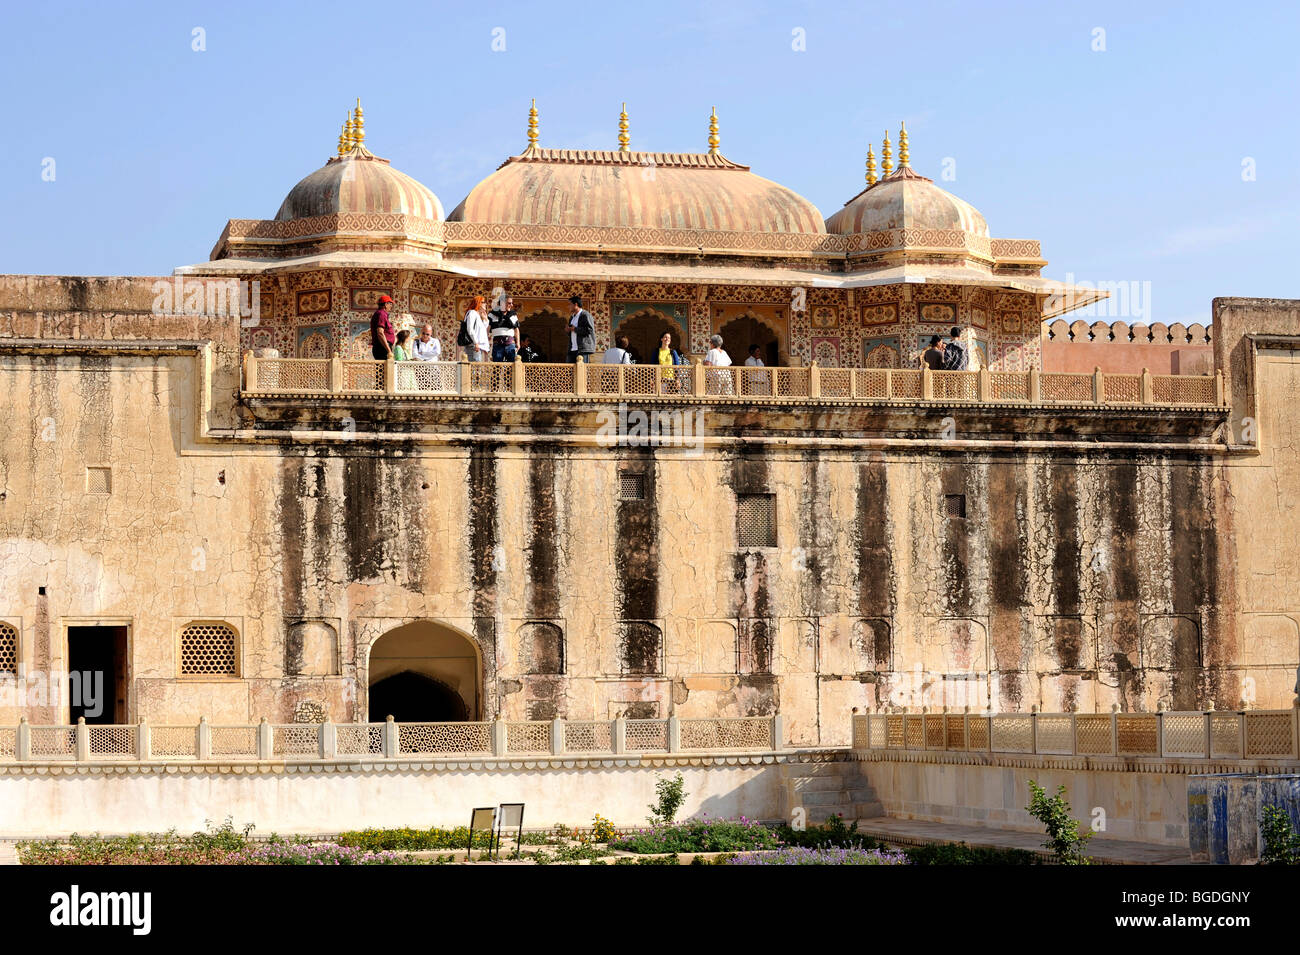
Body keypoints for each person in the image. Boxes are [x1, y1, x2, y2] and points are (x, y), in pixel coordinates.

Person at [489, 295, 520, 362]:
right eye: (509, 303)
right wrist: (487, 342)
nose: (511, 305)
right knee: (497, 366)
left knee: (511, 365)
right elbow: (487, 329)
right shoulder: (492, 314)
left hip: (510, 344)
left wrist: (518, 343)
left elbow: (516, 330)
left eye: (511, 303)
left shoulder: (513, 315)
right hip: (497, 344)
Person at [567, 295, 595, 363]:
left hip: (582, 349)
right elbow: (572, 333)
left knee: (582, 368)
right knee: (570, 369)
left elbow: (589, 330)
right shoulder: (572, 317)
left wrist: (575, 329)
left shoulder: (585, 315)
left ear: (575, 304)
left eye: (570, 304)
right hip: (572, 349)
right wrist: (568, 330)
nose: (568, 306)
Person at [462, 295, 490, 362]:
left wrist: (485, 319)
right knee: (474, 366)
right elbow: (470, 329)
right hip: (473, 345)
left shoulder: (477, 315)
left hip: (476, 346)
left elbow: (482, 330)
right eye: (483, 302)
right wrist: (476, 343)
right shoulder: (472, 313)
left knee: (476, 366)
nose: (485, 304)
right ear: (478, 303)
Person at [370, 294, 396, 360]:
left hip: (382, 347)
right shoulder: (382, 313)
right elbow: (380, 333)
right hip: (382, 347)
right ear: (386, 304)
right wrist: (389, 350)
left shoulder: (381, 313)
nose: (391, 306)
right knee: (385, 366)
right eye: (390, 304)